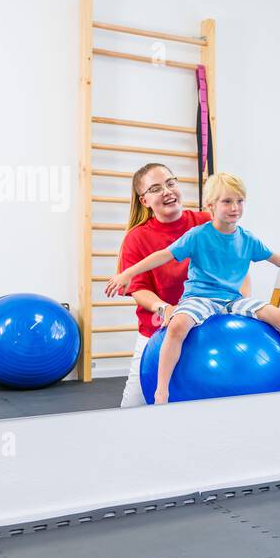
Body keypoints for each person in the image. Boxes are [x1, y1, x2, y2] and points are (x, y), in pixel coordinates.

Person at [107, 172, 280, 401]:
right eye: (227, 202)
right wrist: (128, 273)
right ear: (212, 206)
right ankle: (162, 390)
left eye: (239, 201)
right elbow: (163, 256)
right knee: (177, 326)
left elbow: (278, 258)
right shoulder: (197, 234)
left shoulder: (246, 238)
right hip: (198, 300)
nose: (234, 207)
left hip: (232, 299)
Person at [114, 163, 228, 407]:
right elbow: (138, 289)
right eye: (155, 188)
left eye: (170, 183)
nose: (166, 191)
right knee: (132, 408)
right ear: (144, 201)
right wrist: (164, 308)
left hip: (209, 327)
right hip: (157, 331)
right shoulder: (136, 238)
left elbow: (236, 264)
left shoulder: (207, 222)